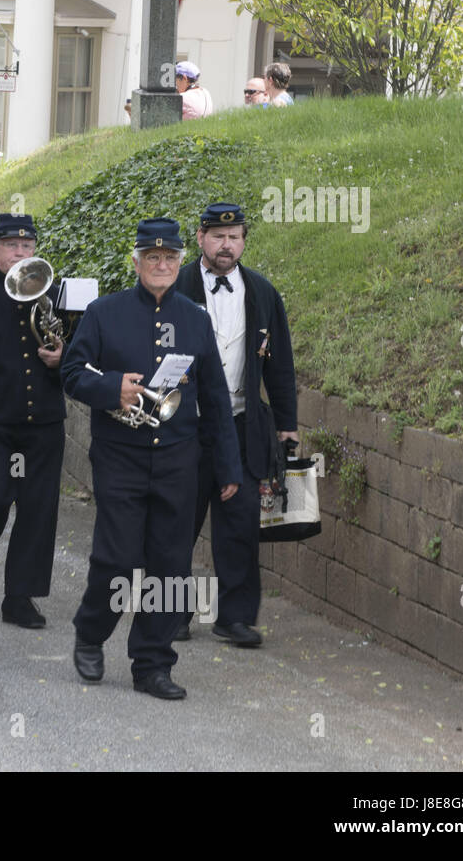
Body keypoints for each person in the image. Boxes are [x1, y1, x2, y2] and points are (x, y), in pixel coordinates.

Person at [61, 218, 241, 700]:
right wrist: (111, 388)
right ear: (137, 261)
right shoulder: (104, 312)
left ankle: (153, 664)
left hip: (180, 460)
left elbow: (217, 399)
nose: (160, 265)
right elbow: (72, 373)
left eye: (169, 258)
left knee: (171, 565)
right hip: (120, 455)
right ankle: (91, 632)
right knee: (115, 558)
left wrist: (227, 466)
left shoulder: (196, 318)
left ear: (180, 261)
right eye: (151, 258)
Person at [173, 203, 297, 646]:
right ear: (202, 236)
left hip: (243, 425)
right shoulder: (175, 285)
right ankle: (171, 615)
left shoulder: (263, 293)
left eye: (236, 237)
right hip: (187, 425)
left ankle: (235, 617)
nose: (227, 245)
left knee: (241, 524)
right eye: (219, 236)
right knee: (177, 523)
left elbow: (280, 365)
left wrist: (287, 424)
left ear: (244, 241)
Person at [0, 214, 67, 628]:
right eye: (12, 247)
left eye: (27, 247)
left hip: (43, 423)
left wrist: (64, 358)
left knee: (39, 511)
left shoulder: (55, 295)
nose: (20, 254)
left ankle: (19, 597)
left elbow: (84, 352)